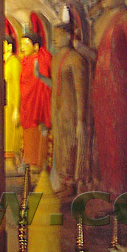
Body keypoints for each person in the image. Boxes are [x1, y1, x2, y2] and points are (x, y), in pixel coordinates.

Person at [76, 0, 127, 196]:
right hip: (103, 95)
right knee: (106, 147)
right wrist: (82, 49)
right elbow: (100, 58)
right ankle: (111, 193)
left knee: (120, 146)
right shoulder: (103, 23)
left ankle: (123, 196)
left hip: (122, 95)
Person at [50, 24, 88, 194]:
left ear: (69, 36)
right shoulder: (55, 58)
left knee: (70, 145)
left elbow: (81, 91)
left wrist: (80, 119)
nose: (55, 38)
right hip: (58, 108)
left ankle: (71, 183)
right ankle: (63, 181)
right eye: (54, 35)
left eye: (59, 35)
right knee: (59, 145)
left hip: (70, 109)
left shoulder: (75, 59)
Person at [18, 30, 51, 170]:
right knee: (28, 134)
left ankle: (38, 162)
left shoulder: (40, 60)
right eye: (21, 44)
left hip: (37, 104)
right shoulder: (25, 61)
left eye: (26, 44)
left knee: (36, 133)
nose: (22, 47)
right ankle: (29, 160)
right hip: (27, 103)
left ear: (36, 47)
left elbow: (45, 84)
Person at [3, 34, 22, 172]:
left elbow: (17, 86)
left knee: (11, 137)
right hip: (6, 104)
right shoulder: (7, 62)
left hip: (12, 105)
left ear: (9, 46)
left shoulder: (14, 62)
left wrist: (17, 109)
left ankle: (12, 164)